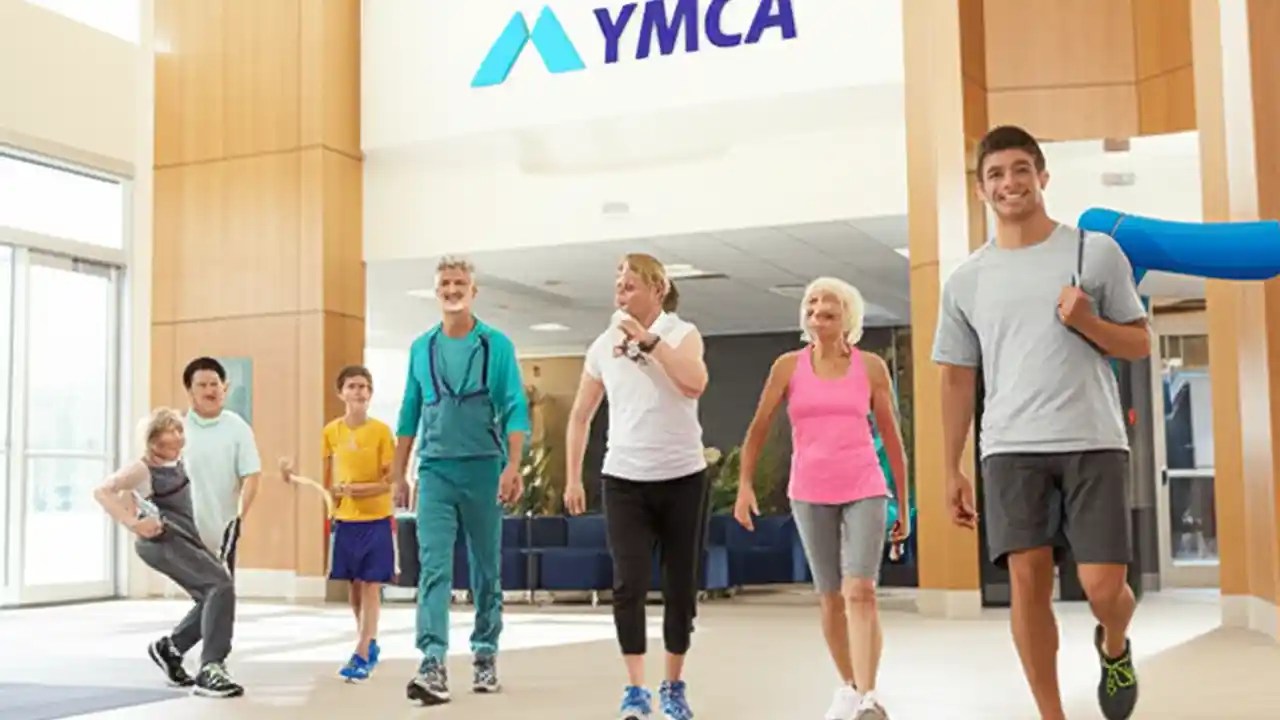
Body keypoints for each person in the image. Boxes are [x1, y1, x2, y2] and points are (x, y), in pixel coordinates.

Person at [932, 125, 1149, 720]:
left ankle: (1114, 643)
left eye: (1020, 169)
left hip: (1094, 440)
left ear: (1043, 176)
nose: (1010, 183)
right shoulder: (966, 280)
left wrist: (1089, 321)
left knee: (1105, 588)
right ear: (981, 189)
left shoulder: (1093, 252)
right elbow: (955, 376)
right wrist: (951, 464)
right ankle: (1051, 714)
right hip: (1009, 449)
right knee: (1027, 586)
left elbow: (1138, 344)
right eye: (996, 174)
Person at [733, 277, 910, 720]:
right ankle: (850, 687)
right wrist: (744, 485)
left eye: (829, 300)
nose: (818, 306)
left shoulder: (870, 367)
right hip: (809, 490)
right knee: (830, 595)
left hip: (865, 486)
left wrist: (903, 504)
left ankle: (869, 697)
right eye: (811, 300)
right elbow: (757, 429)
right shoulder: (787, 367)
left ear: (847, 314)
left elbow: (892, 440)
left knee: (861, 589)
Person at [564, 253, 710, 720]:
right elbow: (581, 416)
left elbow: (694, 383)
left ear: (658, 288)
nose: (620, 293)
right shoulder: (602, 345)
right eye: (618, 286)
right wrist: (572, 477)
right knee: (629, 584)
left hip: (683, 478)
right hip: (624, 479)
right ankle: (635, 689)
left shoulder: (682, 334)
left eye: (630, 286)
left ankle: (673, 684)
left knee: (680, 585)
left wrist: (650, 343)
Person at [390, 256, 530, 706]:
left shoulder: (496, 345)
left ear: (474, 291)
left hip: (484, 467)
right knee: (433, 567)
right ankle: (432, 661)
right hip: (434, 470)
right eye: (445, 283)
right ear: (437, 291)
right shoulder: (421, 348)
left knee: (485, 567)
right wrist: (399, 473)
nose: (452, 289)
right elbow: (409, 412)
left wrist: (513, 466)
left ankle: (485, 652)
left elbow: (514, 408)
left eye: (460, 283)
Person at [92, 408, 243, 698]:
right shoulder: (142, 468)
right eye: (168, 430)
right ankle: (211, 668)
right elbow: (103, 491)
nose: (176, 435)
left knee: (212, 597)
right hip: (162, 541)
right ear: (152, 438)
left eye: (178, 430)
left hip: (185, 538)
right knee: (219, 586)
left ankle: (170, 649)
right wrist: (134, 523)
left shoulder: (179, 463)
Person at [282, 365, 395, 682]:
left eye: (364, 386)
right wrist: (290, 475)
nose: (359, 391)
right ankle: (368, 640)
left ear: (370, 394)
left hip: (377, 519)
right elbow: (322, 475)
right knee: (355, 588)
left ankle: (361, 651)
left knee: (372, 585)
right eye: (352, 386)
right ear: (341, 393)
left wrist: (356, 490)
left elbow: (390, 479)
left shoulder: (382, 432)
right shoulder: (331, 432)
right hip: (346, 520)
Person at [180, 357, 263, 574]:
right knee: (200, 592)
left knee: (221, 591)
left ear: (223, 388)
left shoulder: (237, 427)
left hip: (223, 529)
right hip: (183, 529)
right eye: (202, 385)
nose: (210, 391)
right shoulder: (178, 428)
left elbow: (252, 476)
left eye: (215, 384)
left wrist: (239, 519)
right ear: (189, 392)